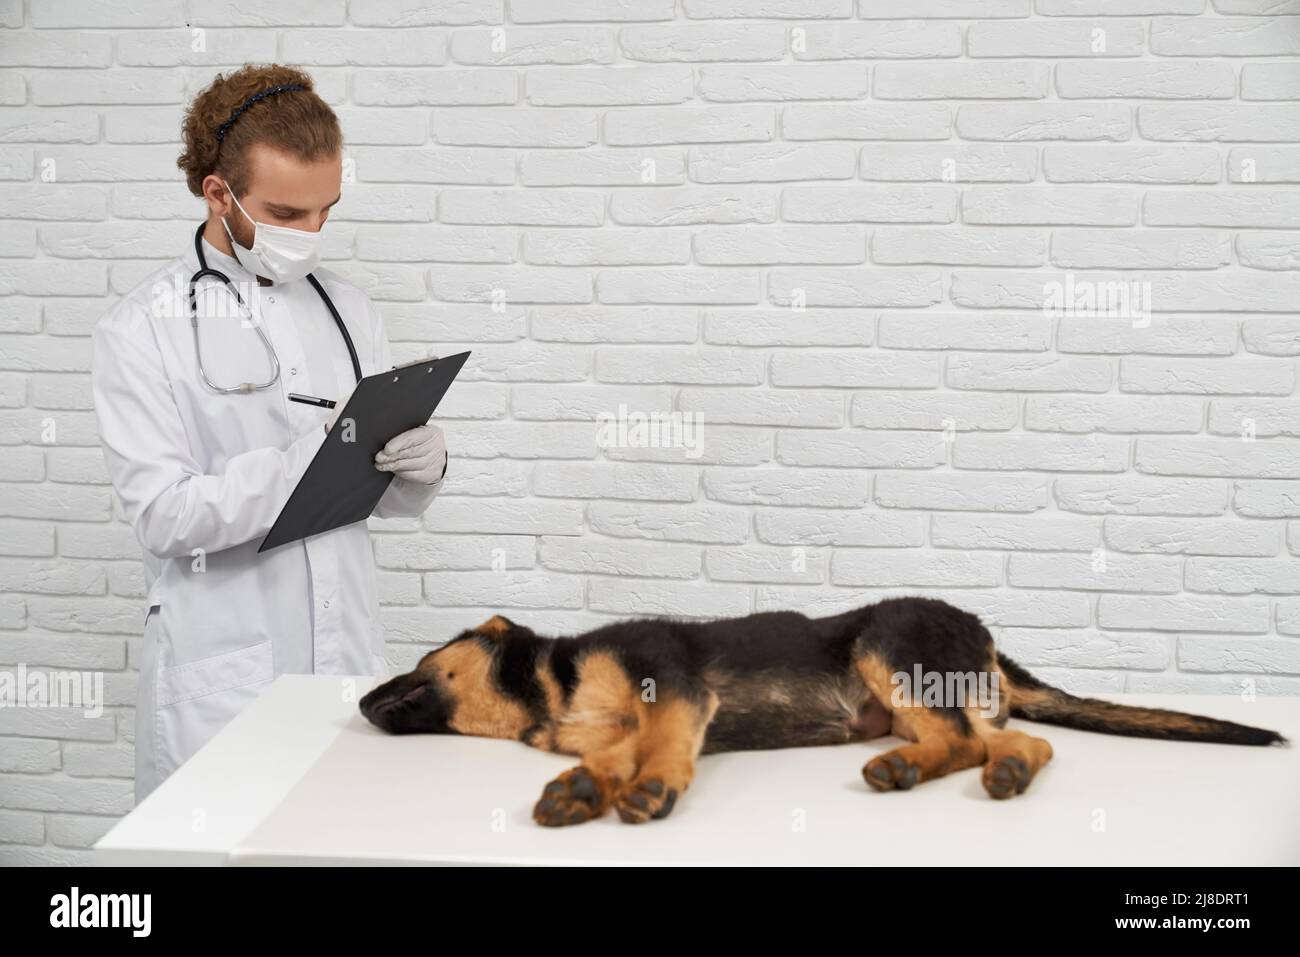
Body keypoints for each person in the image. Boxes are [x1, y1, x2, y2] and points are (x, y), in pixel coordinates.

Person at [90, 64, 449, 804]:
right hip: (224, 671)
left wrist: (418, 470)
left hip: (345, 652)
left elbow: (372, 499)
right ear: (217, 192)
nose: (311, 232)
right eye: (287, 212)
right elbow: (163, 514)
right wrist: (302, 463)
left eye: (327, 210)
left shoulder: (351, 311)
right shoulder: (144, 327)